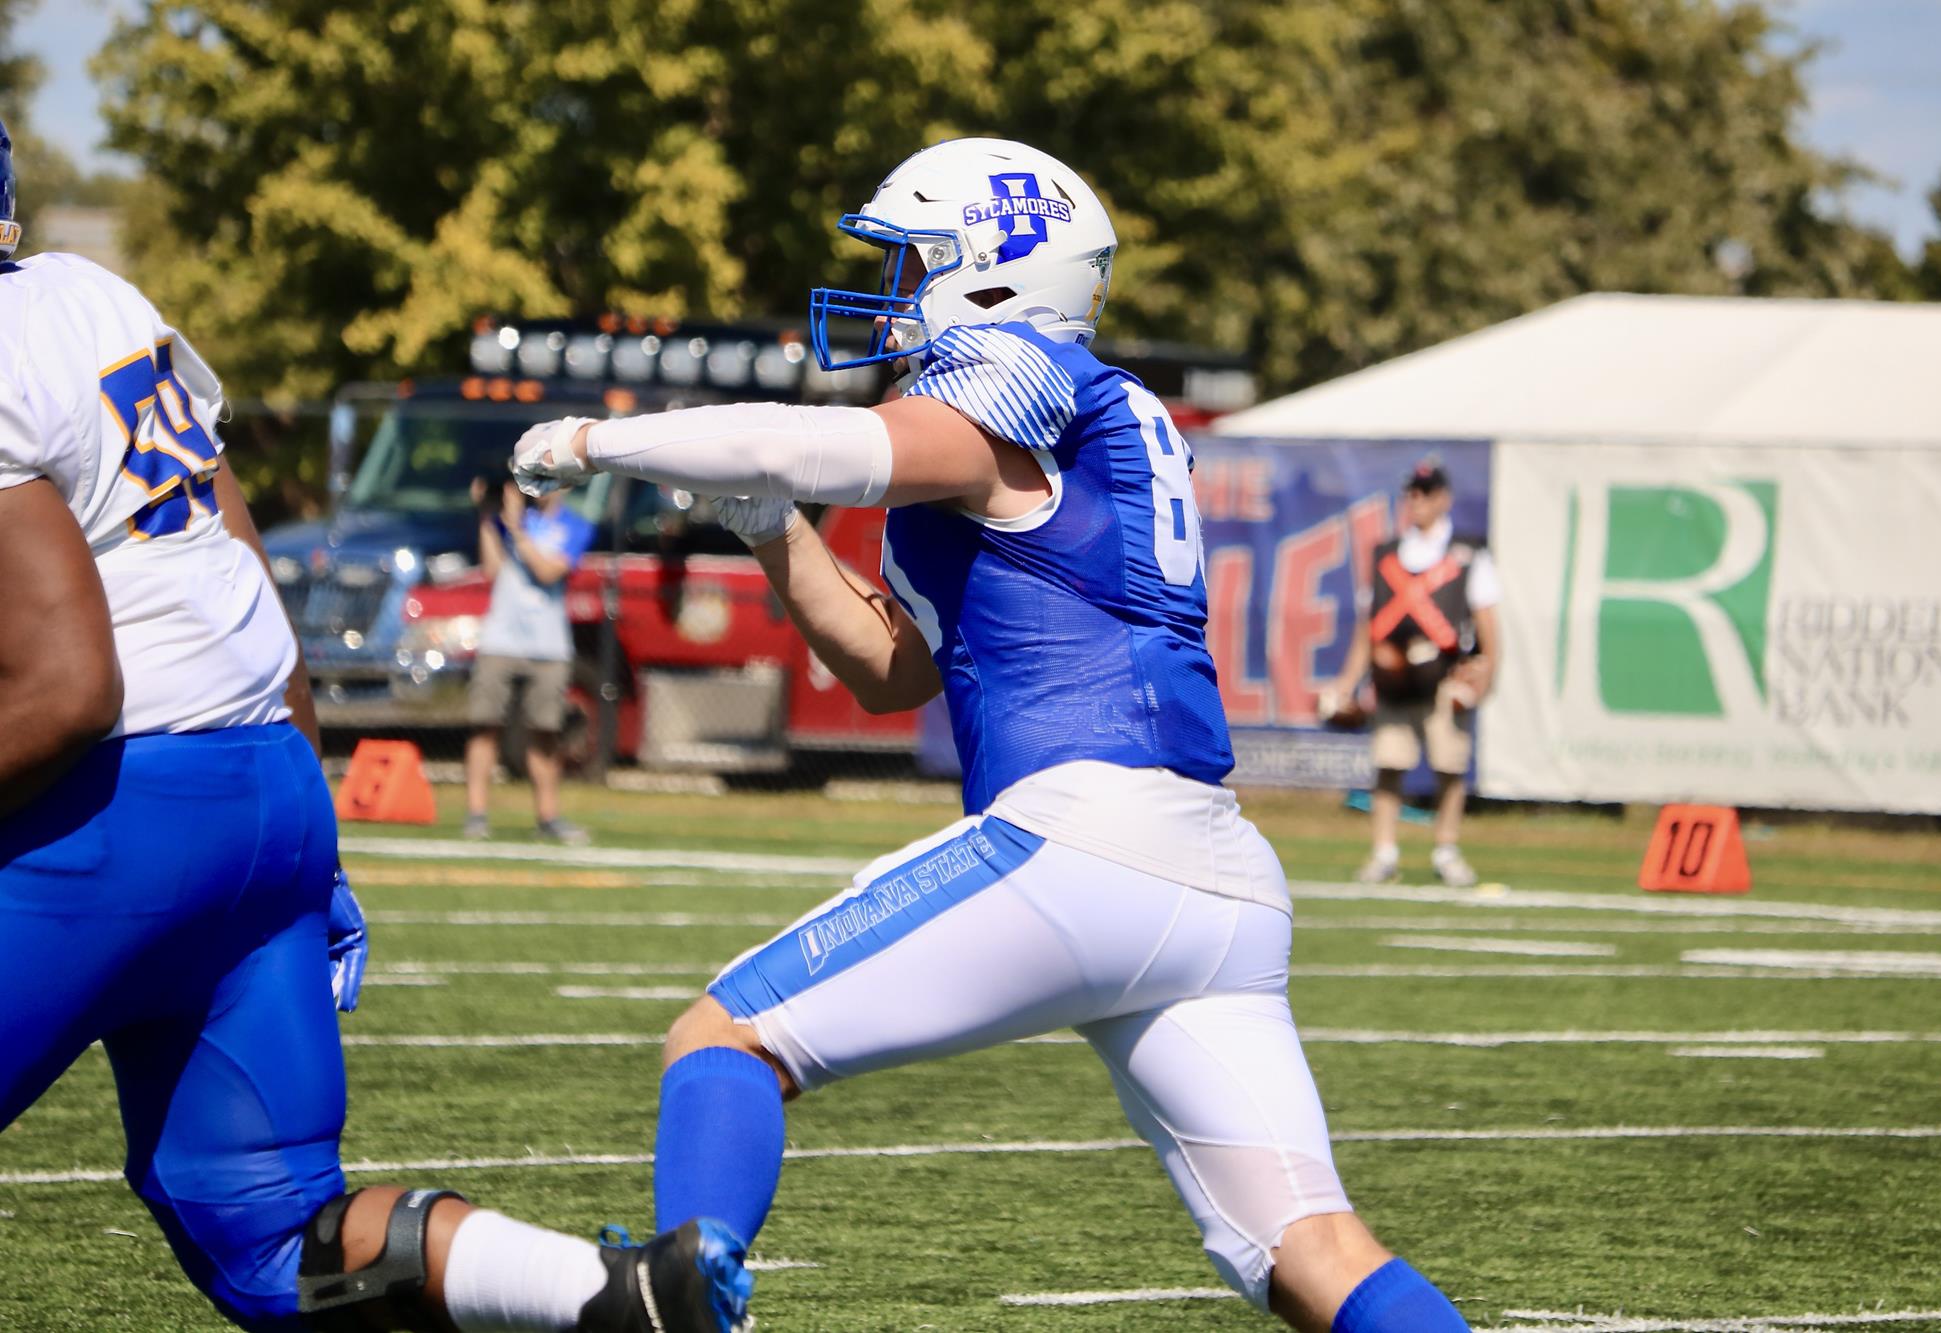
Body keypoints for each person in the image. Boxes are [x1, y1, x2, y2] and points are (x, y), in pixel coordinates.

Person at [513, 136, 1473, 1333]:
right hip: (1210, 873)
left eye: (913, 259)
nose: (891, 288)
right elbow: (892, 672)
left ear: (992, 270)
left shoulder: (1017, 375)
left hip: (1085, 836)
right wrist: (769, 526)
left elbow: (817, 447)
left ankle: (678, 1314)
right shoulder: (1079, 414)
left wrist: (596, 440)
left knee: (724, 1038)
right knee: (1309, 1247)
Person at [0, 122, 737, 1333]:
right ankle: (616, 1297)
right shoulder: (91, 295)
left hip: (119, 811)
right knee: (277, 1237)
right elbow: (235, 565)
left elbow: (65, 686)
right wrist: (309, 826)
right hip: (264, 788)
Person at [1325, 459, 1501, 888]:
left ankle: (1446, 849)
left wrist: (1487, 673)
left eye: (1425, 492)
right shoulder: (1388, 553)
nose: (1416, 500)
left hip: (1445, 676)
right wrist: (1347, 683)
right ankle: (1384, 851)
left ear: (1443, 498)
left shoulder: (1466, 553)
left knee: (1449, 765)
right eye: (1411, 493)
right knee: (1389, 762)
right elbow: (1369, 627)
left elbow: (1487, 621)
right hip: (1394, 679)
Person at [462, 474, 593, 845]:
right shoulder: (511, 519)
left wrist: (517, 530)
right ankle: (476, 815)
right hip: (500, 639)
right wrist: (487, 516)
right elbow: (491, 569)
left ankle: (548, 817)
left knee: (545, 732)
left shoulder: (575, 526)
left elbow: (548, 572)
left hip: (548, 645)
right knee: (485, 726)